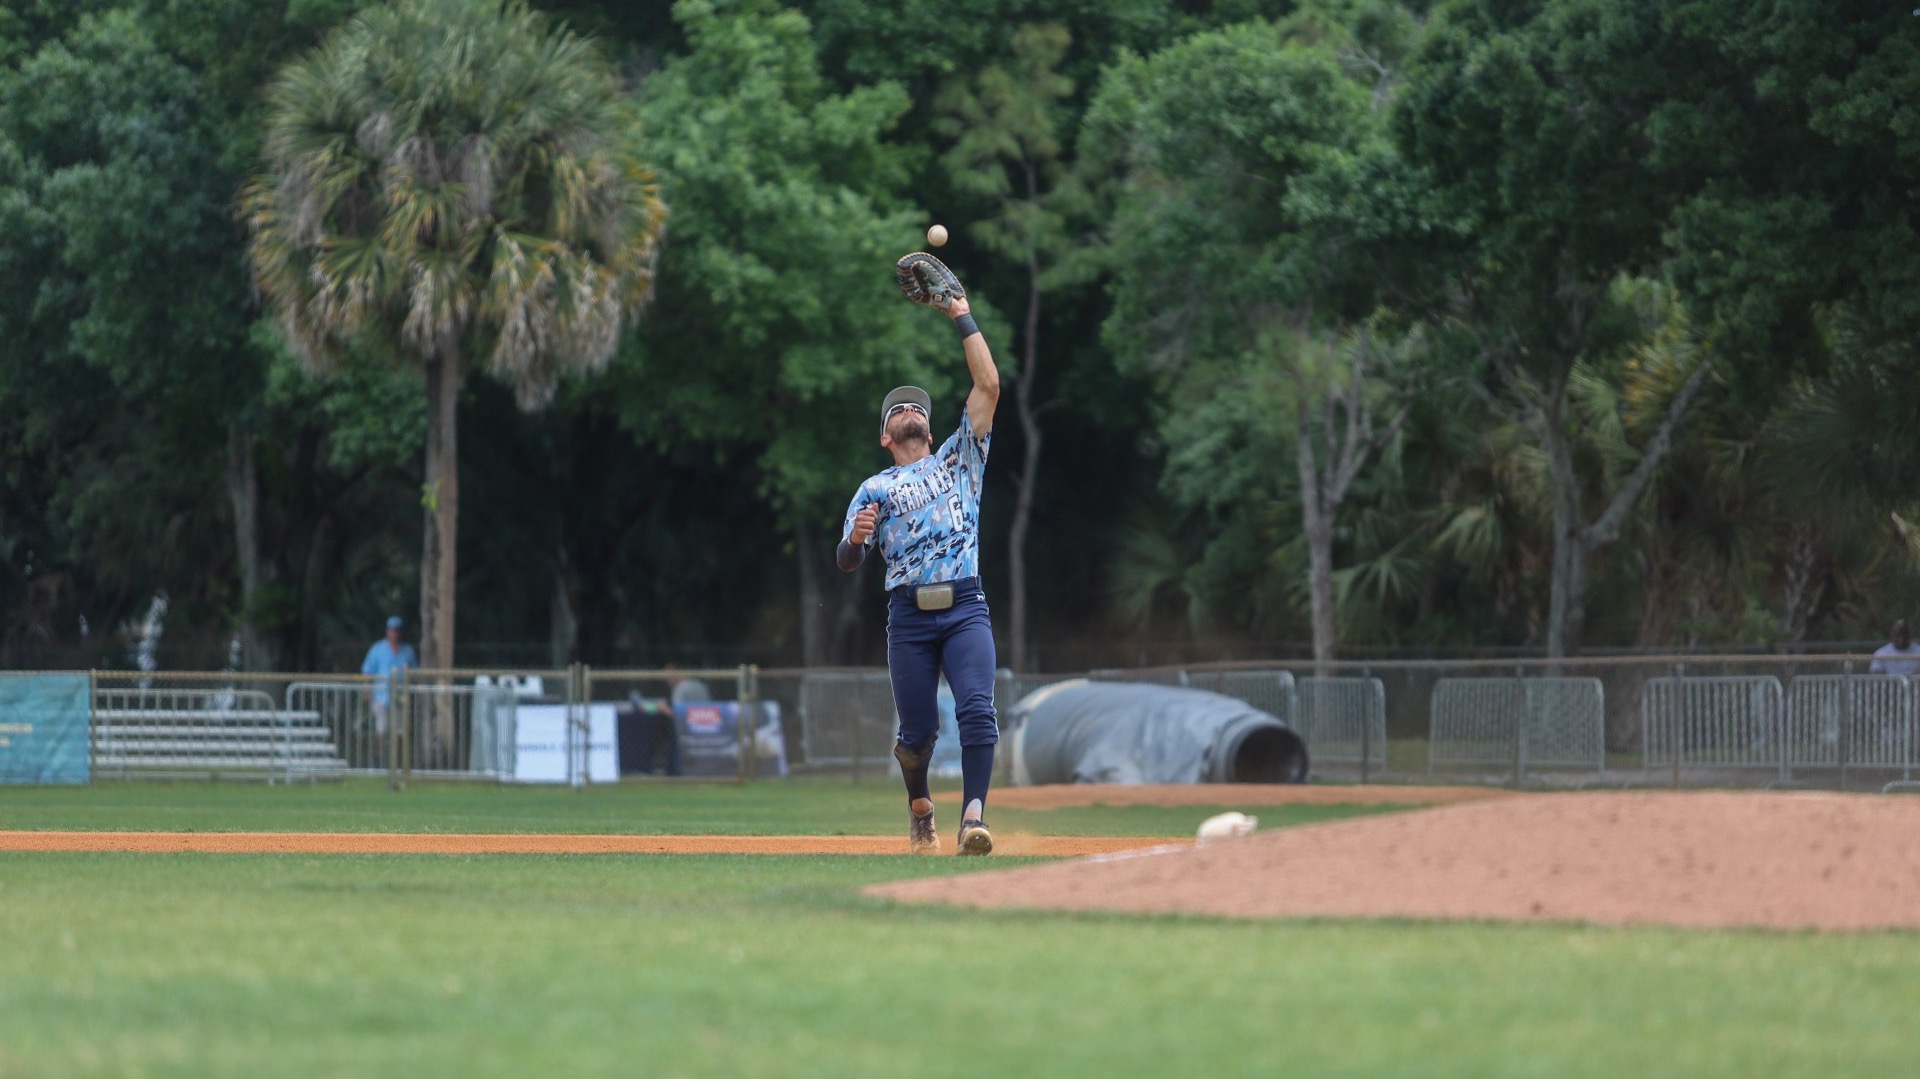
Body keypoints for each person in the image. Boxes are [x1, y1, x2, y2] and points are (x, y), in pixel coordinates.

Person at [836, 283, 1000, 855]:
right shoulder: (873, 489)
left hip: (964, 606)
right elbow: (847, 561)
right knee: (916, 737)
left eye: (916, 409)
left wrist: (961, 313)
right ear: (886, 435)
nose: (909, 411)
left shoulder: (960, 458)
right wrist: (857, 540)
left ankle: (972, 819)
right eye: (897, 410)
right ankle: (921, 808)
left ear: (930, 431)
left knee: (977, 710)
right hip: (908, 618)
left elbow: (988, 386)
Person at [361, 616, 417, 759]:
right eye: (392, 630)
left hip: (401, 697)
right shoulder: (377, 649)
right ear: (387, 631)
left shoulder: (408, 650)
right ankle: (378, 758)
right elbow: (368, 670)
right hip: (381, 696)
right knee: (382, 728)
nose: (395, 634)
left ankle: (398, 760)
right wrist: (366, 689)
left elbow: (414, 673)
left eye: (397, 631)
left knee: (400, 730)